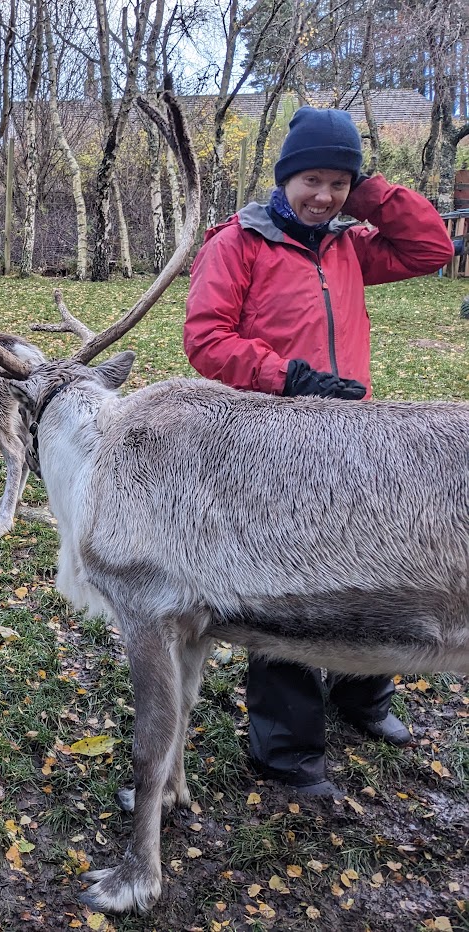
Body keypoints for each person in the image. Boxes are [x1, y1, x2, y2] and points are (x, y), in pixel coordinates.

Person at [184, 107, 454, 797]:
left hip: (354, 440)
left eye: (338, 182)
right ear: (284, 177)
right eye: (312, 179)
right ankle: (286, 751)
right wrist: (287, 376)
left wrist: (369, 194)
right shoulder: (238, 243)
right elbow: (205, 339)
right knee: (288, 587)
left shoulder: (348, 245)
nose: (323, 196)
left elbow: (430, 249)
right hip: (273, 444)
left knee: (370, 569)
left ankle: (363, 701)